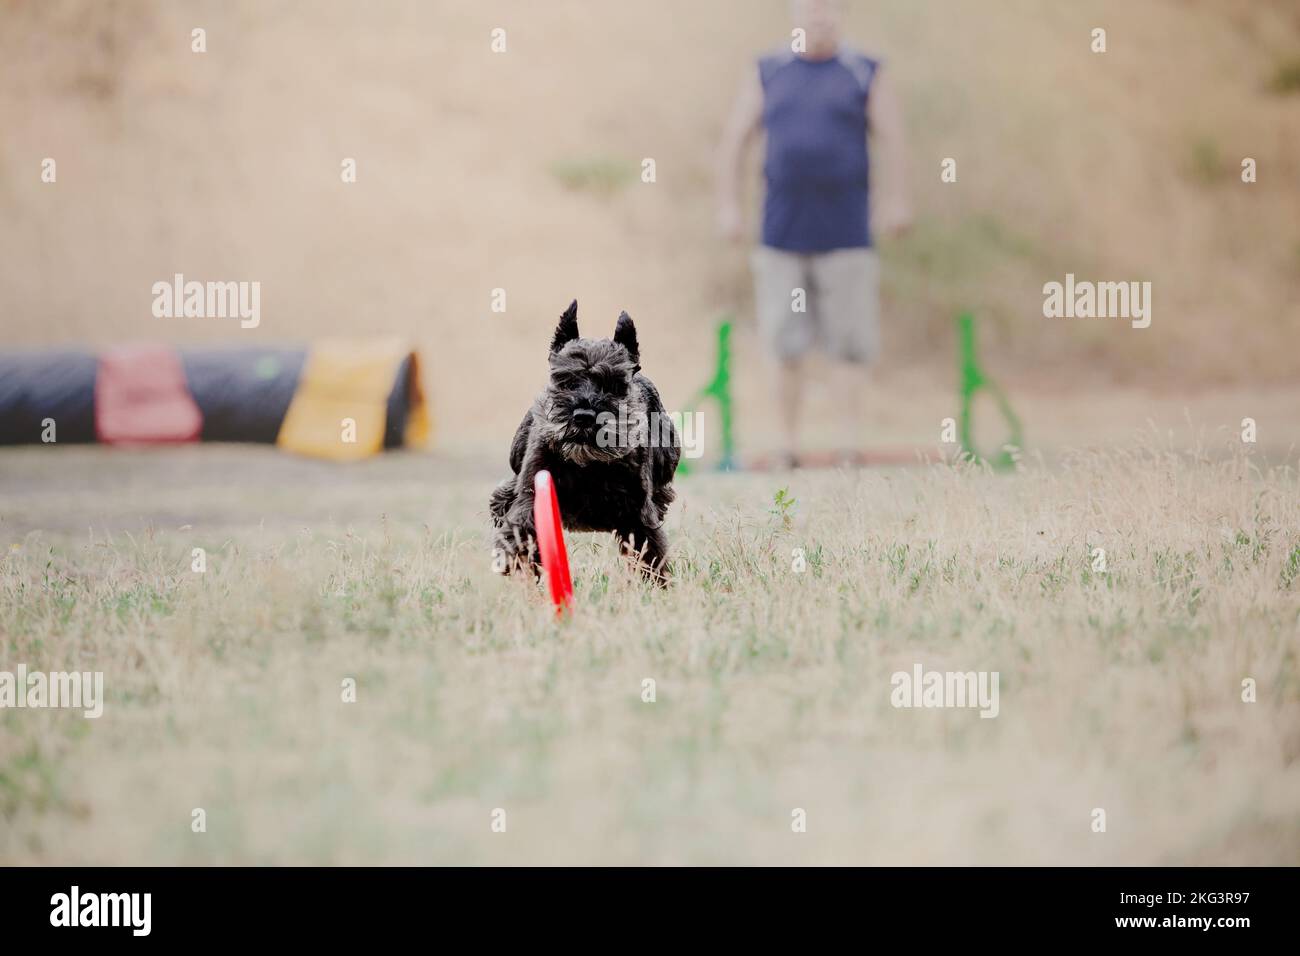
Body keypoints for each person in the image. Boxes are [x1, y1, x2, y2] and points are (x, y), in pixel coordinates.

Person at [717, 0, 910, 467]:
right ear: (794, 13)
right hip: (781, 234)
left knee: (849, 344)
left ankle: (849, 445)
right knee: (784, 343)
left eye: (830, 9)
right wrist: (728, 206)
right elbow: (734, 142)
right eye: (811, 7)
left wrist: (896, 200)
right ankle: (786, 445)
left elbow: (893, 139)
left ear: (842, 15)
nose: (821, 16)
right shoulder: (768, 70)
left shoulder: (864, 70)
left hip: (847, 235)